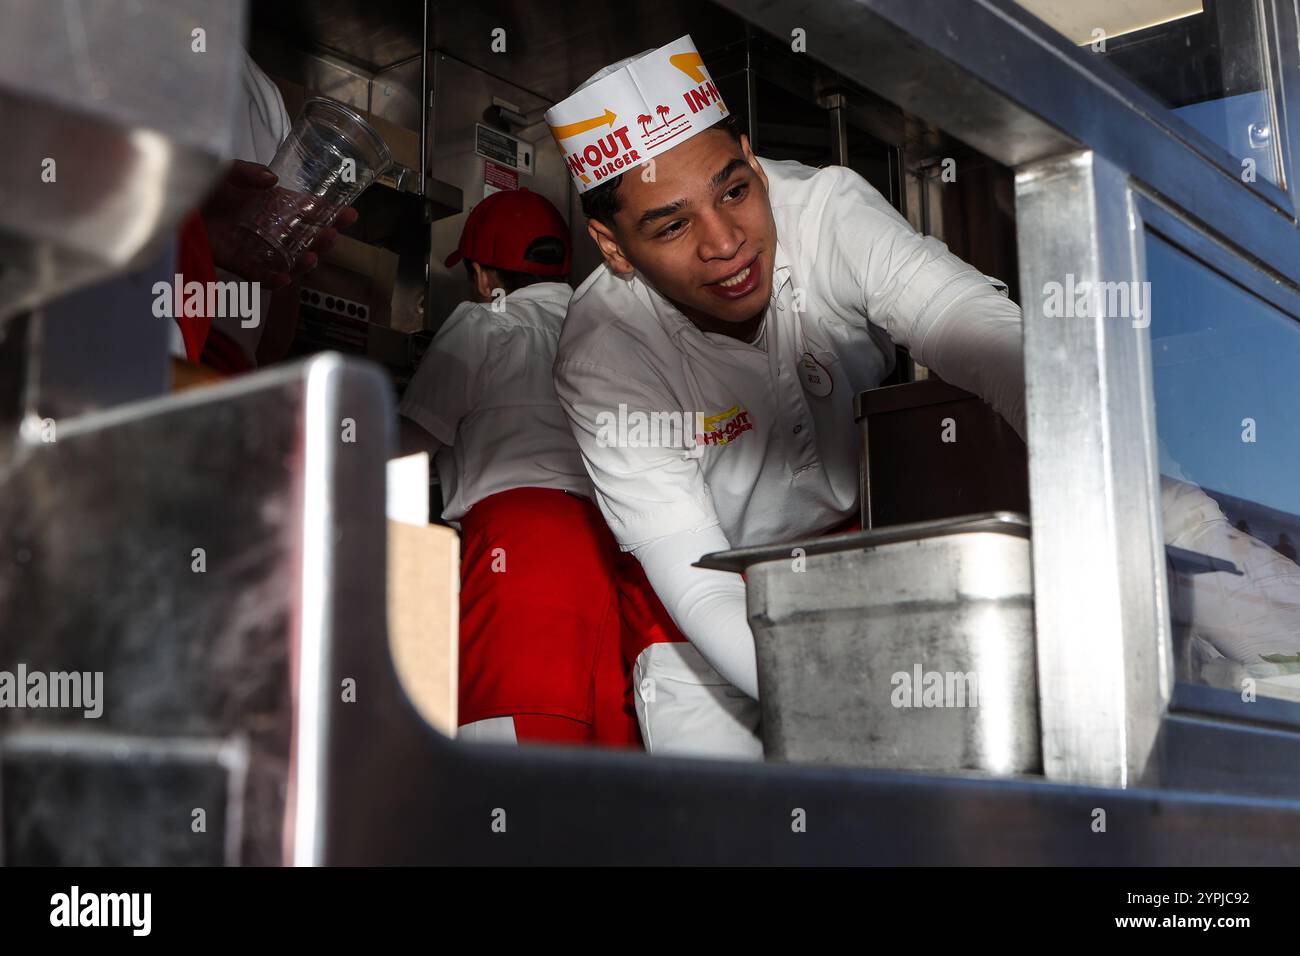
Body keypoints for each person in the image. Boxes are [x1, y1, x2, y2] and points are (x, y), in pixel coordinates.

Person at [547, 36, 1025, 758]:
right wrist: (856, 712)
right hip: (698, 620)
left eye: (735, 190)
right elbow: (701, 583)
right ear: (613, 248)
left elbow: (990, 339)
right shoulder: (604, 354)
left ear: (752, 159)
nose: (727, 243)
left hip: (850, 573)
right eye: (672, 225)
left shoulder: (827, 210)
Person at [399, 188, 640, 748]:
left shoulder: (482, 324)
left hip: (520, 558)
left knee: (508, 767)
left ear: (484, 278)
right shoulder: (613, 331)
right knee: (608, 778)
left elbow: (403, 456)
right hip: (619, 558)